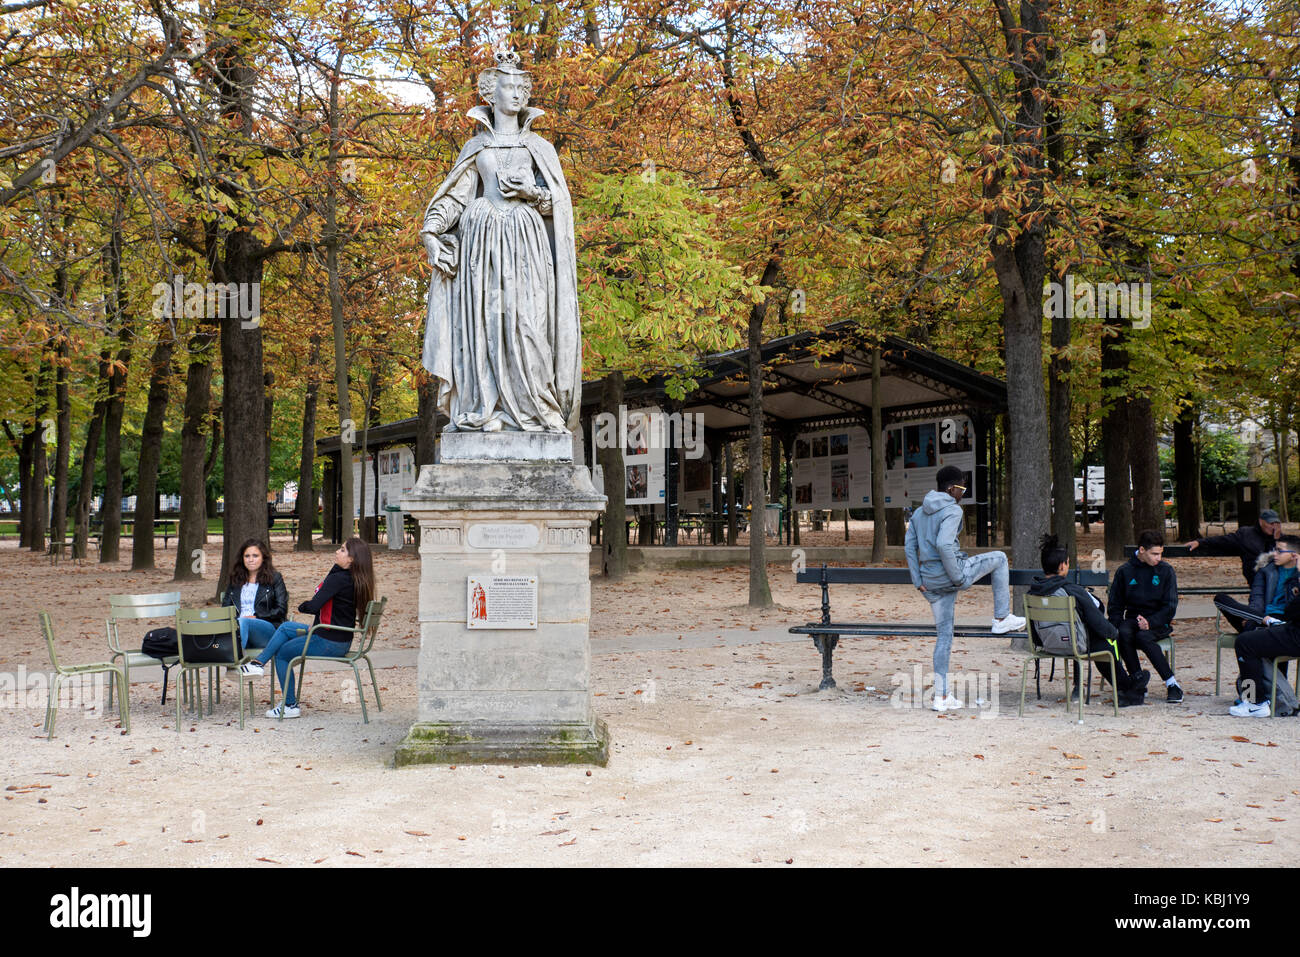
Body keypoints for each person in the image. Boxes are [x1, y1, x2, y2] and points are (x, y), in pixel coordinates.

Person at [420, 47, 580, 434]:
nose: (516, 94)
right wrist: (430, 232)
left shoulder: (539, 148)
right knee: (486, 323)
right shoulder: (476, 147)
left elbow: (558, 205)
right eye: (507, 86)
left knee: (528, 323)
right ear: (491, 94)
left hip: (526, 245)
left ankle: (535, 409)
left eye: (520, 87)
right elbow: (456, 197)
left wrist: (532, 193)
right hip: (482, 247)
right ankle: (483, 407)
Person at [905, 465, 1025, 712]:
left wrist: (918, 581)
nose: (963, 492)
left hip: (930, 583)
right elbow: (943, 544)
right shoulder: (952, 510)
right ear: (951, 488)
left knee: (944, 637)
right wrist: (958, 577)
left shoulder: (918, 513)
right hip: (950, 576)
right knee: (1000, 558)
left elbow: (909, 548)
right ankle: (1001, 617)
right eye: (962, 488)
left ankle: (941, 696)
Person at [240, 539, 376, 719]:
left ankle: (290, 705)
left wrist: (303, 606)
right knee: (287, 627)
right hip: (338, 638)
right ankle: (258, 664)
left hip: (328, 640)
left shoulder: (339, 580)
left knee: (282, 653)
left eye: (342, 550)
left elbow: (313, 606)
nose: (337, 551)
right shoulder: (351, 578)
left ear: (352, 559)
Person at [1027, 534, 1145, 707]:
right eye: (1067, 562)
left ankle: (1130, 688)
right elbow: (1097, 620)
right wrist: (1114, 633)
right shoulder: (1072, 590)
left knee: (1101, 640)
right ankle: (1129, 688)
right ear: (1062, 566)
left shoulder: (1033, 593)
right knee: (1107, 642)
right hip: (1075, 645)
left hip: (1046, 645)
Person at [1107, 529, 1184, 703]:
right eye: (1154, 554)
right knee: (1124, 632)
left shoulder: (1166, 571)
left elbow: (1170, 606)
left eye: (1160, 553)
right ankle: (1138, 680)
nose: (1159, 558)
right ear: (1142, 550)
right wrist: (1117, 625)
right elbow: (1115, 605)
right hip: (1132, 619)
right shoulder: (1124, 571)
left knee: (1142, 637)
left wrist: (1151, 622)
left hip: (1158, 622)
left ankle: (1172, 685)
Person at [1229, 589, 1300, 718]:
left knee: (1244, 642)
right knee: (1257, 639)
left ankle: (1255, 703)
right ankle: (1272, 697)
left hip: (1295, 636)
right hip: (1288, 629)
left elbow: (1290, 611)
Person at [1214, 534, 1300, 634]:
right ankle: (1267, 622)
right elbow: (1257, 598)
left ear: (1294, 554)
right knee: (1220, 598)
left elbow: (1295, 607)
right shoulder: (1265, 570)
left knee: (1250, 630)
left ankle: (1265, 627)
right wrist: (1253, 617)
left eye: (1279, 551)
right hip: (1261, 616)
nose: (1274, 554)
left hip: (1287, 620)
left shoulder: (1297, 575)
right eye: (1274, 549)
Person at [220, 539, 288, 652]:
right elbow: (225, 609)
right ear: (242, 558)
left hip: (266, 627)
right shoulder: (236, 579)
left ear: (263, 558)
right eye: (247, 556)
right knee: (204, 622)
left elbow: (281, 609)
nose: (250, 560)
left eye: (255, 556)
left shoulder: (275, 578)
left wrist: (257, 616)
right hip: (237, 627)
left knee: (244, 622)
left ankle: (234, 664)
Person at [1186, 509, 1282, 586]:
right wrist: (1200, 542)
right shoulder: (1246, 535)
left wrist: (1276, 538)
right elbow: (1223, 540)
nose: (1273, 527)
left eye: (1276, 524)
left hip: (1277, 580)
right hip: (1257, 581)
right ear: (1261, 522)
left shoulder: (1281, 538)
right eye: (1270, 523)